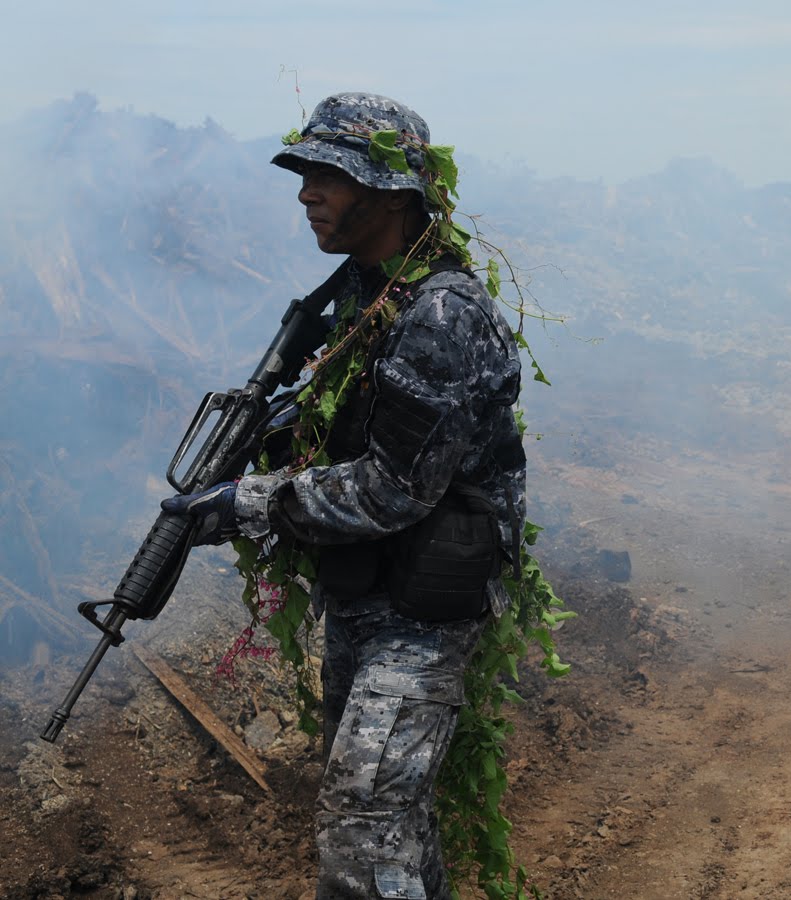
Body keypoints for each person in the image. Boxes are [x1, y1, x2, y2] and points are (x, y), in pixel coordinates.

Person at [161, 92, 526, 899]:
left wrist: (248, 502)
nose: (307, 193)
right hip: (369, 592)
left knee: (365, 819)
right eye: (306, 173)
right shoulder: (364, 297)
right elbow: (347, 439)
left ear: (393, 195)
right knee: (388, 818)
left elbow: (394, 488)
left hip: (424, 609)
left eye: (329, 175)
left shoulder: (438, 314)